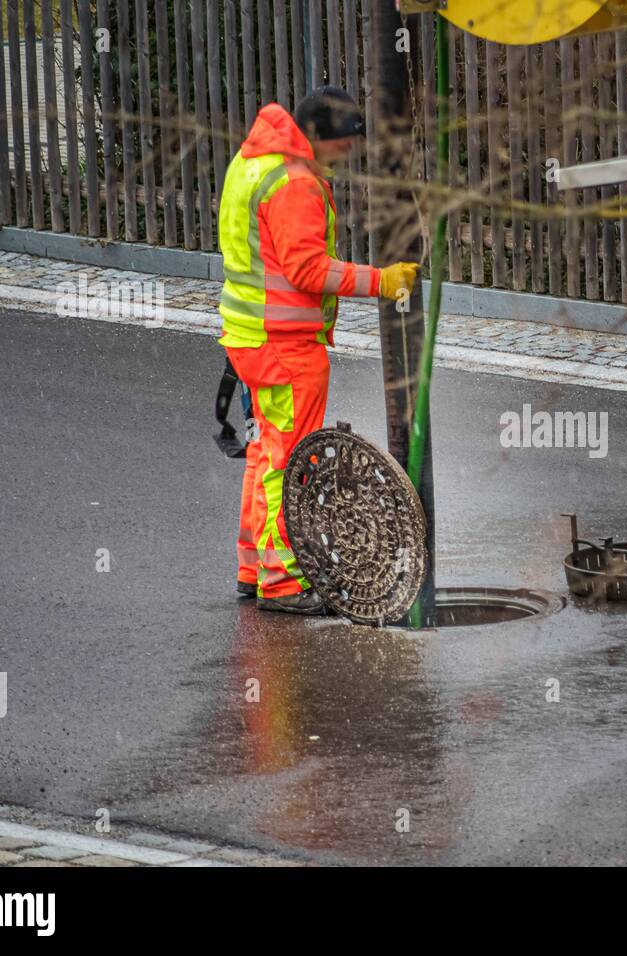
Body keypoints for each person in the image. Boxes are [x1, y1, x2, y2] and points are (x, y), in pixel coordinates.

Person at [218, 87, 418, 614]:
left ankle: (253, 567)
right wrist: (383, 280)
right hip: (284, 344)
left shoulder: (253, 161)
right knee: (286, 459)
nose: (350, 156)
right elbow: (308, 271)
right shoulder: (294, 184)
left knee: (264, 451)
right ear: (322, 138)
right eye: (347, 144)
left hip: (250, 335)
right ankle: (282, 582)